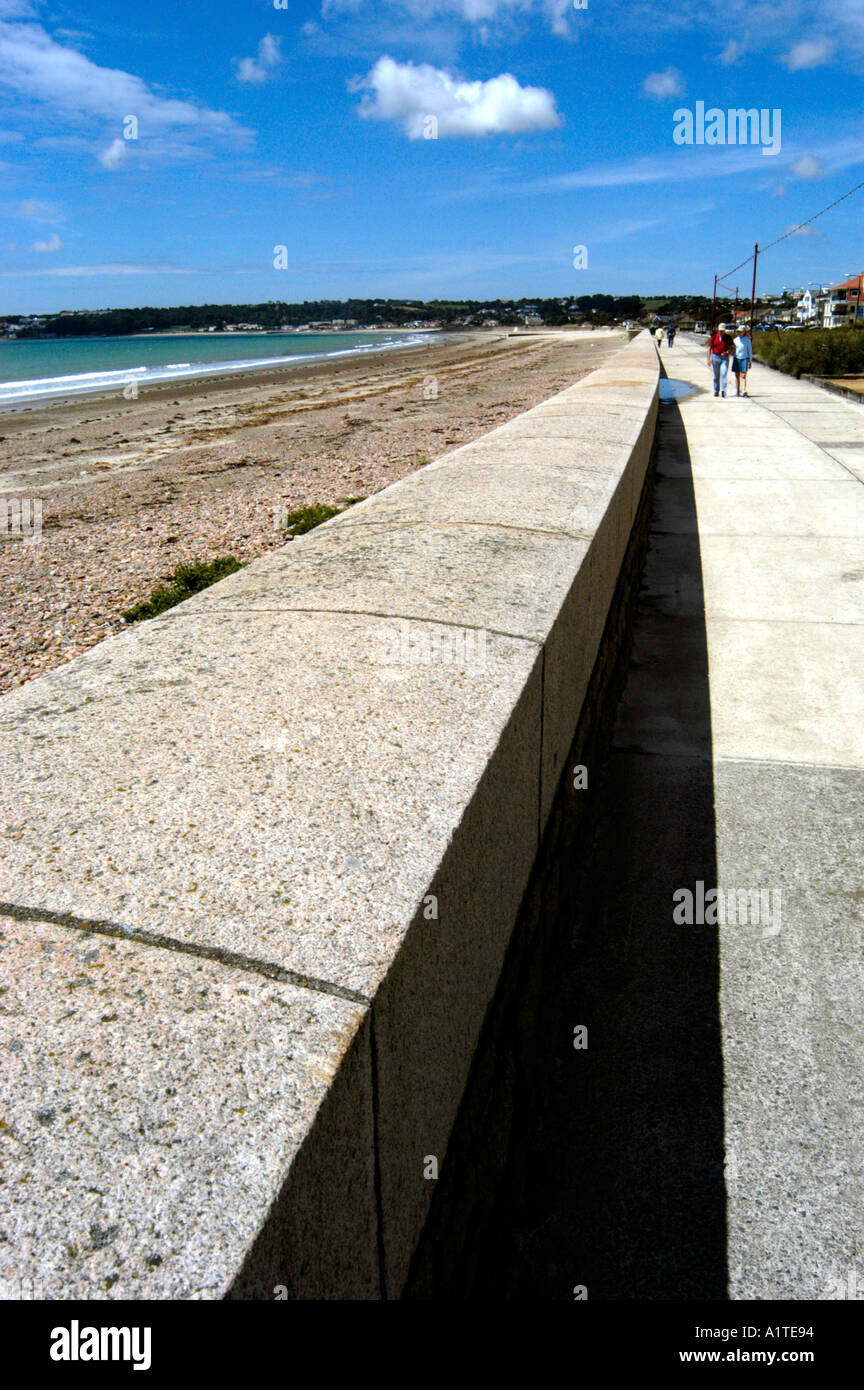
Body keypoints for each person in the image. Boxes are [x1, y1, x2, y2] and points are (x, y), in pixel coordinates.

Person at [708, 323, 735, 397]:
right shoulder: (714, 337)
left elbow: (732, 347)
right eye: (720, 331)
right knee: (716, 375)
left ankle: (723, 390)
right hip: (715, 357)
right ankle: (716, 390)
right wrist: (709, 359)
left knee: (723, 374)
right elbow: (709, 348)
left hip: (724, 358)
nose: (721, 332)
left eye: (722, 331)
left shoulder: (728, 337)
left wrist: (727, 352)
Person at [732, 324, 753, 396]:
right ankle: (737, 390)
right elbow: (733, 349)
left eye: (740, 331)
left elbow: (750, 351)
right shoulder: (735, 340)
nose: (739, 333)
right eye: (738, 331)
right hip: (737, 358)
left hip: (744, 359)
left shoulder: (747, 340)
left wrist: (750, 361)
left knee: (743, 375)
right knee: (737, 375)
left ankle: (744, 390)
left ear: (744, 332)